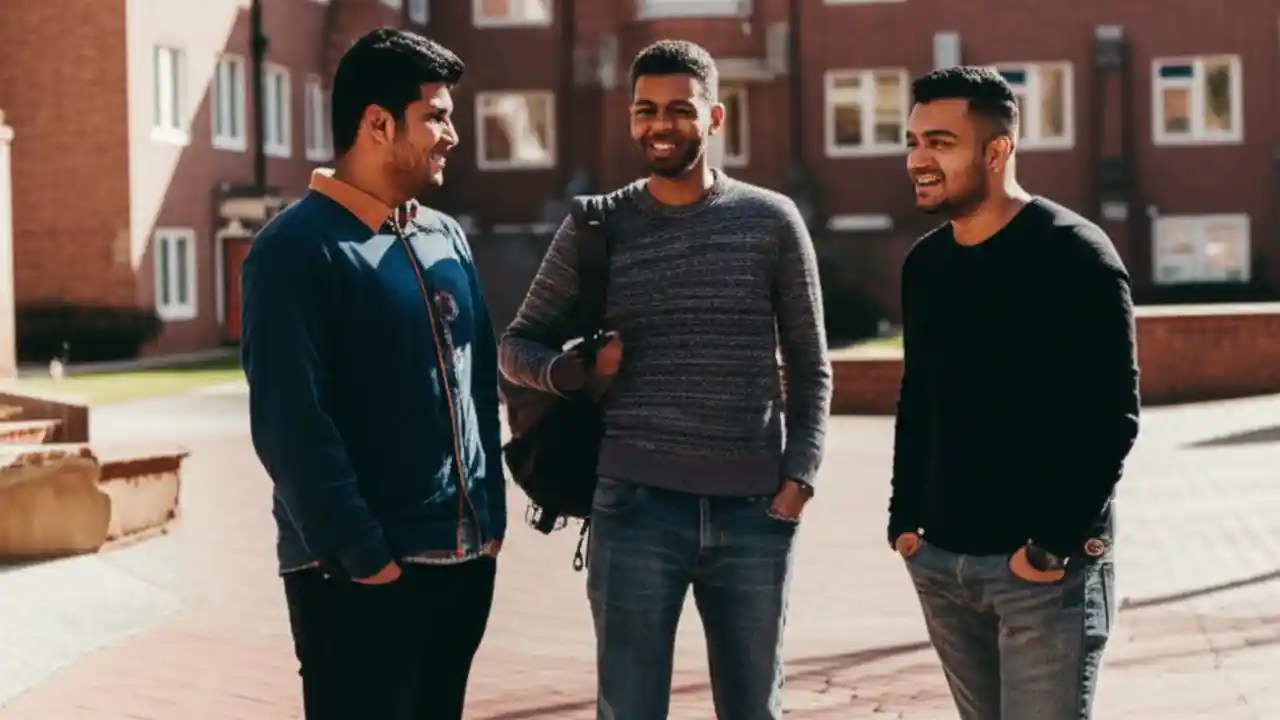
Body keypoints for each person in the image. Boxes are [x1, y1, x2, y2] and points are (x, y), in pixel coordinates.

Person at [500, 39, 831, 720]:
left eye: (680, 110)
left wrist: (800, 477)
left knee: (754, 710)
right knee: (629, 710)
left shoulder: (771, 221)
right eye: (645, 110)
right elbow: (515, 346)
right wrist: (572, 371)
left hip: (753, 514)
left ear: (714, 118)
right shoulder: (598, 226)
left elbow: (809, 359)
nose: (660, 125)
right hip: (633, 511)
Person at [240, 28, 505, 720]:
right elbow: (290, 423)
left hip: (462, 563)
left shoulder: (443, 235)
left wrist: (492, 514)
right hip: (356, 580)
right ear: (377, 124)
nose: (452, 134)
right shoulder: (293, 250)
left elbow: (477, 381)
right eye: (436, 116)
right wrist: (362, 557)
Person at [890, 66, 1140, 719]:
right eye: (913, 141)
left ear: (996, 151)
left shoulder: (1075, 256)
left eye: (939, 142)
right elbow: (918, 397)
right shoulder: (926, 265)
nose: (918, 159)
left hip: (1043, 571)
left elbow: (1112, 416)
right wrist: (905, 522)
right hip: (944, 562)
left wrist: (1051, 542)